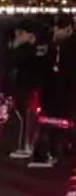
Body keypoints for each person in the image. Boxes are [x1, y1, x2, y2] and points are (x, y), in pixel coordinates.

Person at [30, 15, 74, 168]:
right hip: (55, 92)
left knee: (53, 124)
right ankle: (50, 154)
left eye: (58, 28)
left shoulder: (59, 47)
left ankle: (51, 155)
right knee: (53, 124)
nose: (55, 31)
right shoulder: (55, 46)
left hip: (58, 93)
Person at [10, 21, 43, 159]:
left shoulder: (29, 52)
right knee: (26, 116)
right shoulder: (30, 51)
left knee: (27, 116)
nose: (17, 36)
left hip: (29, 87)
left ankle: (26, 147)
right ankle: (29, 145)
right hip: (26, 87)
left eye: (21, 33)